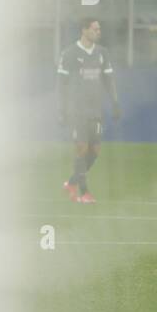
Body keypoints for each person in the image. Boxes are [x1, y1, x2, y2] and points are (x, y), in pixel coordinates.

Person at [57, 17, 121, 205]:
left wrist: (115, 103)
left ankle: (71, 182)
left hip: (96, 111)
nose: (98, 32)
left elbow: (109, 80)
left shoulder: (102, 53)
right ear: (84, 30)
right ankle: (84, 193)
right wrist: (61, 109)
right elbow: (61, 84)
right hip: (78, 111)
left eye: (99, 29)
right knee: (82, 148)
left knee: (95, 151)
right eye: (95, 29)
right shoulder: (69, 53)